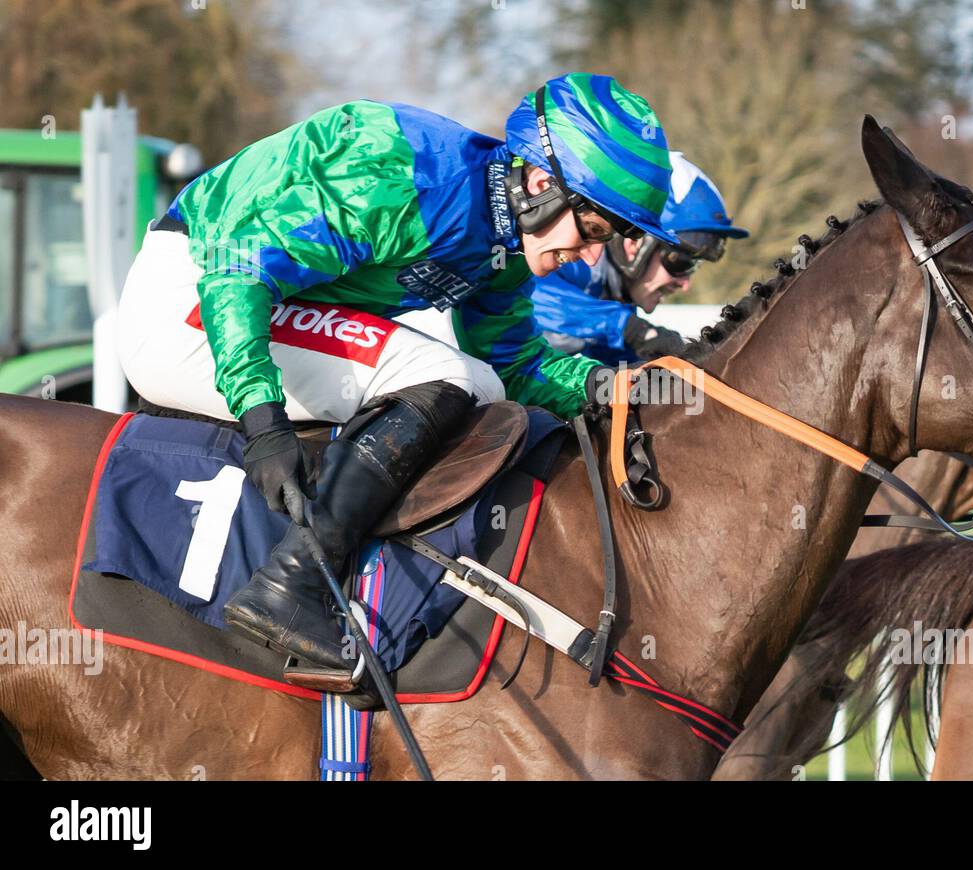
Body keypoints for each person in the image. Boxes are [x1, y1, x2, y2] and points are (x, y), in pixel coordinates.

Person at [115, 73, 677, 672]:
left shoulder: (505, 250)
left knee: (476, 380)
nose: (593, 255)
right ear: (540, 183)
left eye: (612, 238)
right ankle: (294, 583)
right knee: (446, 372)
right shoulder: (400, 168)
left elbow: (514, 366)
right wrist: (263, 419)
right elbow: (236, 266)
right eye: (594, 229)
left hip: (246, 305)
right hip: (193, 295)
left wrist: (617, 387)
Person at [530, 152, 748, 364]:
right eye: (682, 263)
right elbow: (532, 295)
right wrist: (633, 330)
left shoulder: (613, 300)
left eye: (693, 268)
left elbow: (614, 364)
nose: (685, 284)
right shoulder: (576, 261)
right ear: (635, 244)